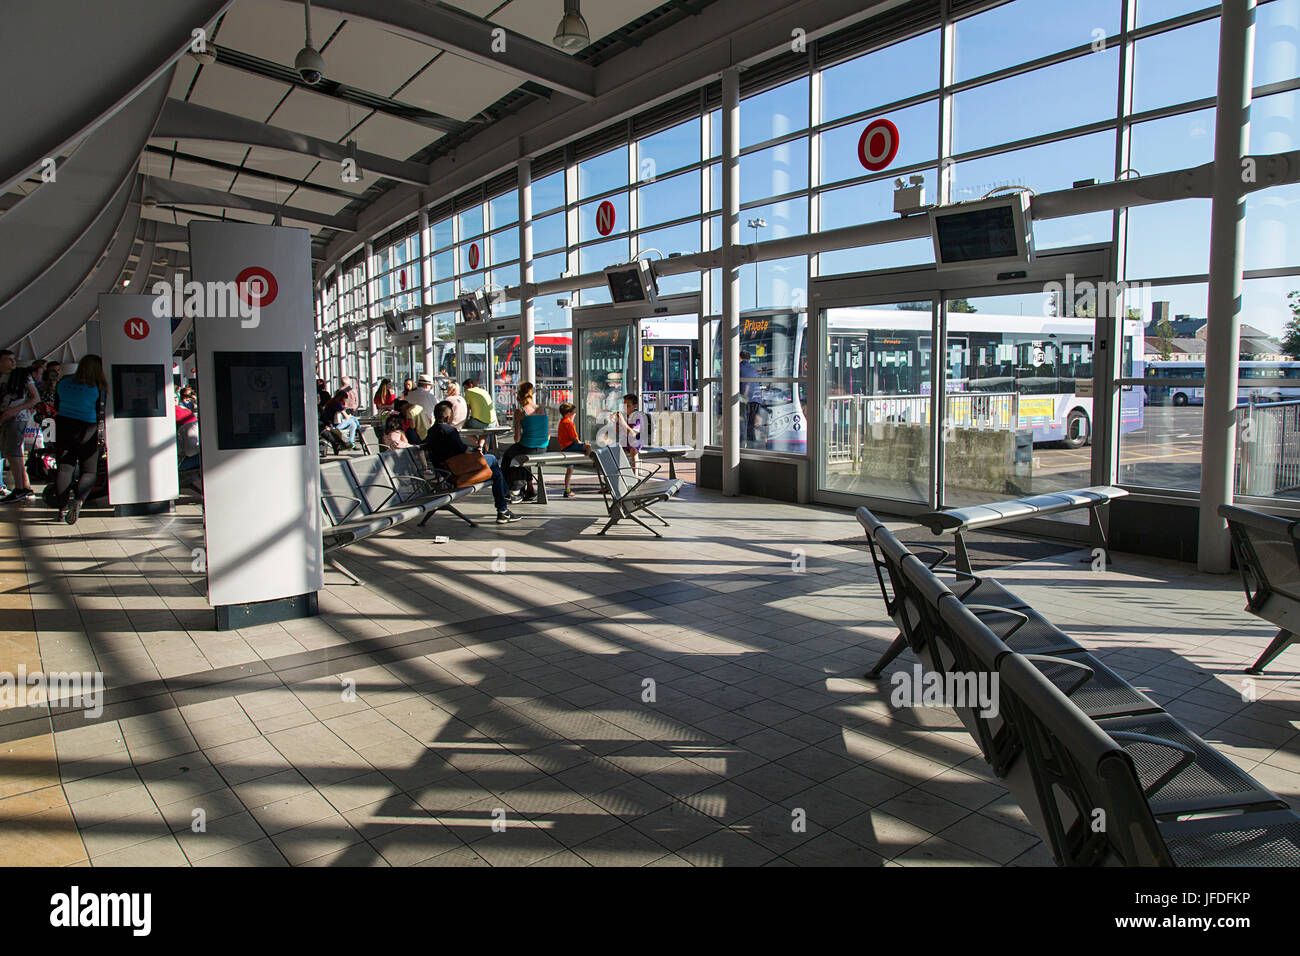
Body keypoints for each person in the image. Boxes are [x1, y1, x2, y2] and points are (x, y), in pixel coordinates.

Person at [423, 401, 519, 524]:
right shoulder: (450, 431)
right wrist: (476, 450)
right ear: (448, 417)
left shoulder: (431, 432)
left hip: (445, 471)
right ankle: (504, 503)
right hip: (458, 471)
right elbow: (462, 450)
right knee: (493, 461)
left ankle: (504, 507)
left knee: (495, 473)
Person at [50, 354, 107, 524]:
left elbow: (56, 406)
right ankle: (78, 501)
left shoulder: (64, 382)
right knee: (89, 471)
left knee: (64, 468)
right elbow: (100, 413)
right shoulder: (98, 387)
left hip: (62, 426)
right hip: (86, 430)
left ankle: (62, 510)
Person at [0, 351, 40, 503]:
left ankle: (21, 488)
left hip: (17, 418)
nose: (12, 362)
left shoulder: (22, 376)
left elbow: (35, 398)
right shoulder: (4, 377)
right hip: (5, 418)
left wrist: (13, 410)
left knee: (14, 452)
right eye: (8, 359)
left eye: (13, 359)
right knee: (9, 453)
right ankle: (21, 487)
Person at [499, 382, 549, 502]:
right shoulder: (542, 409)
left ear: (520, 398)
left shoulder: (520, 411)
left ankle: (512, 488)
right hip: (543, 447)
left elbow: (517, 439)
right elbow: (547, 435)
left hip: (528, 446)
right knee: (524, 458)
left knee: (508, 457)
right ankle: (530, 488)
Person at [557, 402, 591, 499]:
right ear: (569, 414)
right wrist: (582, 444)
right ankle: (588, 461)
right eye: (574, 413)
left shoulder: (562, 422)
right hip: (570, 446)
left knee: (569, 470)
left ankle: (567, 490)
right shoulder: (569, 423)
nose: (575, 414)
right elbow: (574, 439)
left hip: (564, 447)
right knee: (588, 447)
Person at [611, 393, 647, 472]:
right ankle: (617, 474)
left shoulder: (638, 416)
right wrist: (614, 422)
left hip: (636, 441)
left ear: (635, 406)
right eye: (624, 405)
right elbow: (618, 432)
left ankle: (635, 476)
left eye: (628, 406)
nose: (625, 408)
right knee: (613, 451)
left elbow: (633, 434)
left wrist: (623, 423)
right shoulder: (624, 416)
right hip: (625, 442)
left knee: (633, 450)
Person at [739, 349, 762, 444]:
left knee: (743, 421)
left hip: (745, 399)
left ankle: (742, 441)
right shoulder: (754, 369)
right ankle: (752, 441)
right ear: (749, 359)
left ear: (740, 358)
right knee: (751, 423)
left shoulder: (739, 368)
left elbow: (745, 387)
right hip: (756, 399)